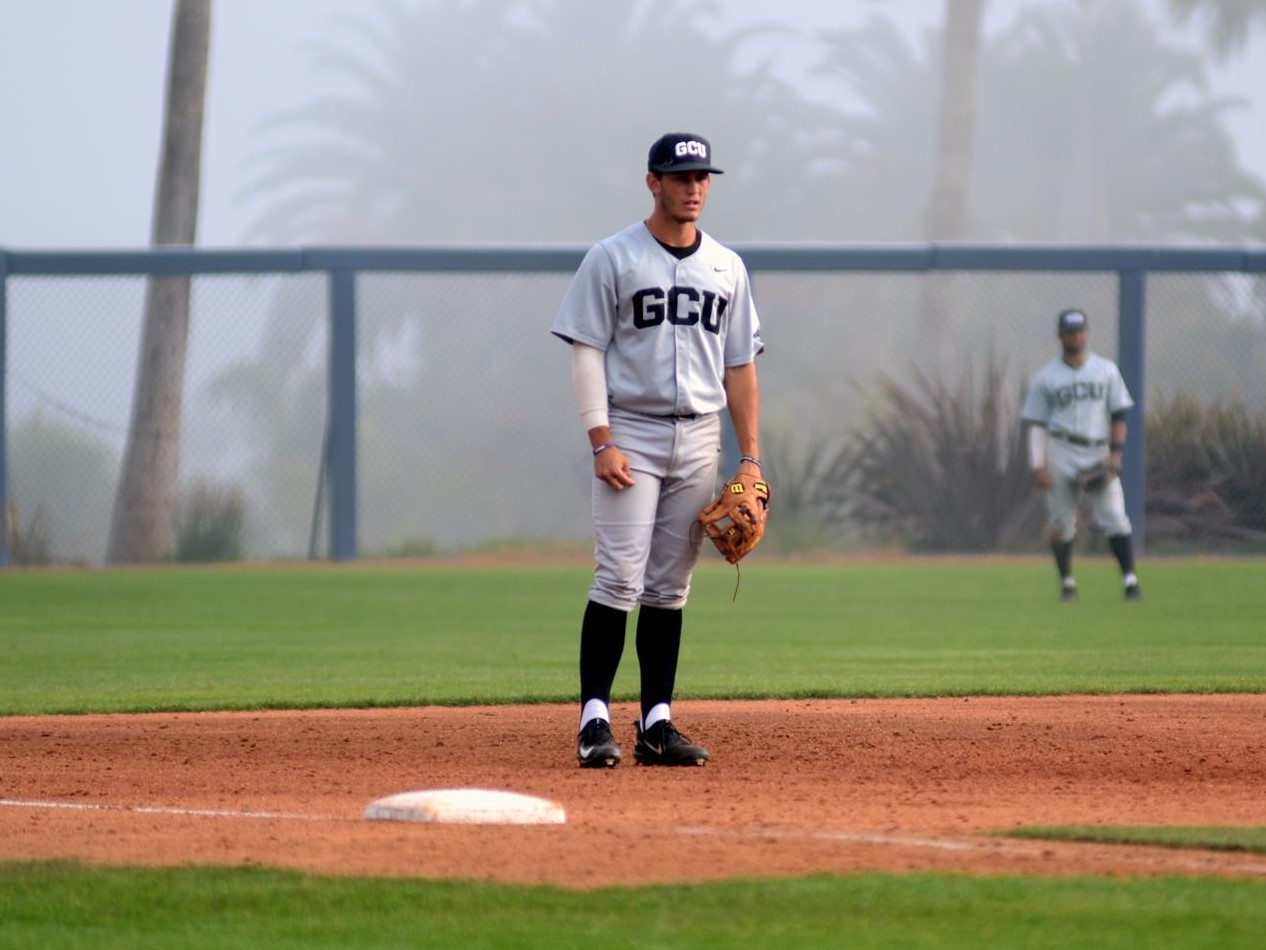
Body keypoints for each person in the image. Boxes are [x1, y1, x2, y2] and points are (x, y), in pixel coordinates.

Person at [550, 132, 764, 767]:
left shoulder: (727, 267)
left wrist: (751, 457)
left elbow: (741, 367)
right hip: (631, 432)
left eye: (701, 178)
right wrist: (601, 438)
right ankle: (593, 720)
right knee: (619, 576)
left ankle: (656, 723)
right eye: (679, 177)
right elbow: (586, 350)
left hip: (700, 435)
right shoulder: (612, 258)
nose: (693, 188)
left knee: (670, 587)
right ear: (653, 182)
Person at [1021, 308, 1141, 601]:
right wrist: (1038, 465)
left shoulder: (1106, 370)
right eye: (1070, 332)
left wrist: (1116, 453)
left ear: (1087, 334)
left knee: (1115, 516)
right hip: (1061, 448)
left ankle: (1130, 580)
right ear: (1060, 336)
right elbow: (1037, 424)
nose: (1076, 337)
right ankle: (1067, 582)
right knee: (1061, 521)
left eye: (1080, 331)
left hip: (1098, 449)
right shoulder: (1046, 377)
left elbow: (1119, 414)